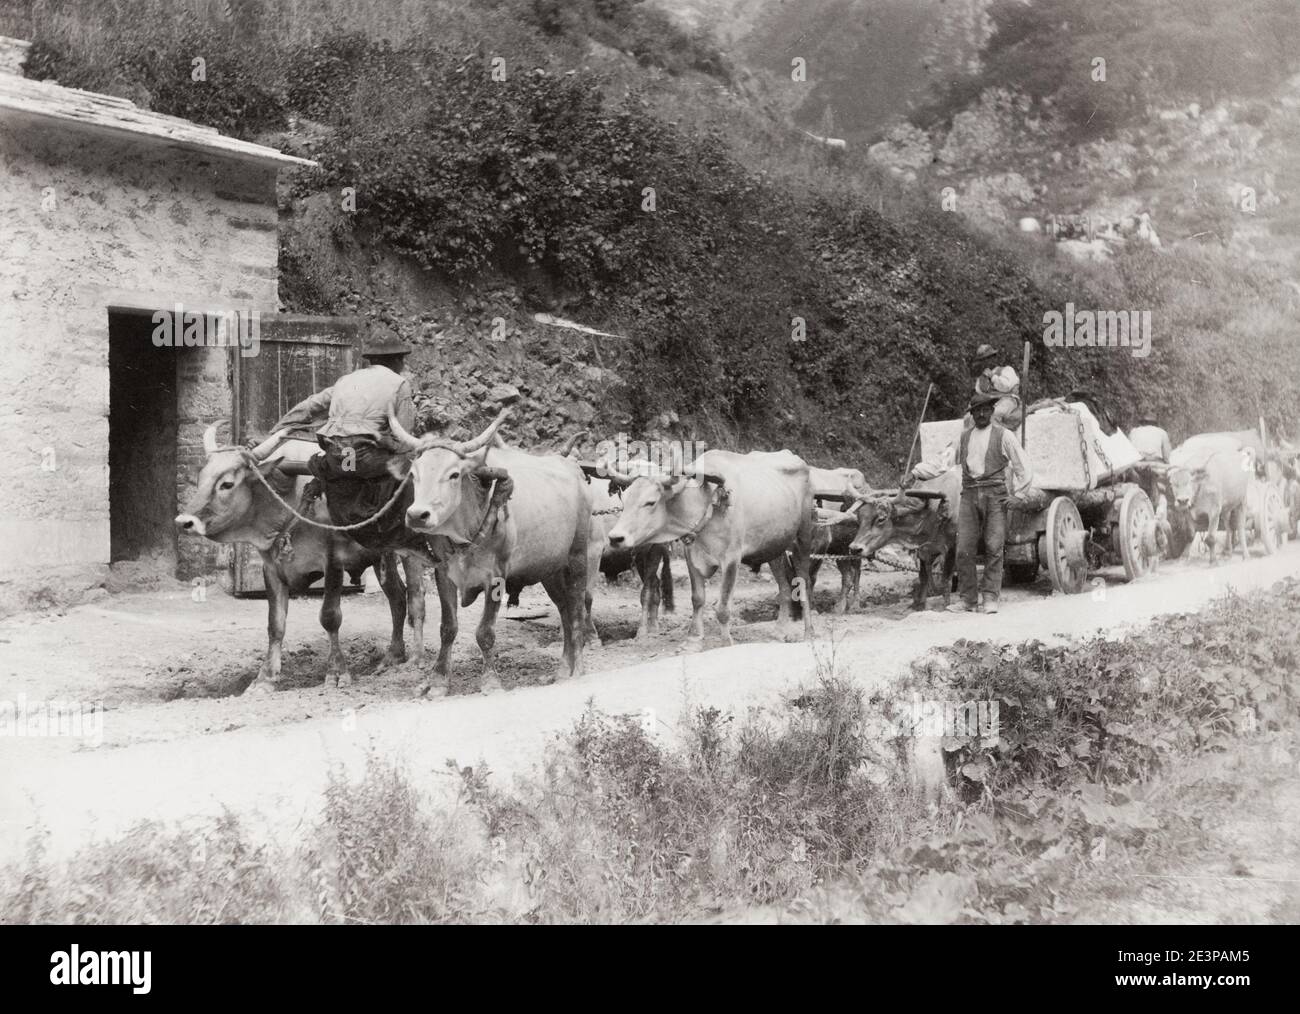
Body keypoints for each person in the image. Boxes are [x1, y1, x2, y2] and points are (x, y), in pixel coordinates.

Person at [265, 331, 427, 554]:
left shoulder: (346, 381)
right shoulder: (399, 384)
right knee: (411, 468)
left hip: (337, 459)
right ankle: (412, 538)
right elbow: (405, 438)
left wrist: (276, 431)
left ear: (369, 360)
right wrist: (397, 449)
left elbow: (310, 406)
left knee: (345, 470)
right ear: (398, 360)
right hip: (365, 460)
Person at [948, 390, 1034, 615]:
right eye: (978, 410)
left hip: (995, 495)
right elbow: (943, 460)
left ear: (992, 411)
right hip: (968, 495)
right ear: (972, 414)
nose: (982, 414)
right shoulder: (964, 437)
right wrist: (918, 473)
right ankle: (967, 599)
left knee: (994, 546)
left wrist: (1019, 495)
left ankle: (989, 598)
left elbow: (1022, 465)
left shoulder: (1004, 435)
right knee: (964, 549)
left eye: (986, 409)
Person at [970, 343, 1022, 429]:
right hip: (989, 403)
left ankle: (1001, 438)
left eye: (988, 358)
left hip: (1007, 400)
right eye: (982, 360)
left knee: (994, 415)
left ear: (994, 358)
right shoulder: (981, 378)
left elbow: (1006, 387)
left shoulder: (1006, 370)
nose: (985, 362)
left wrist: (993, 377)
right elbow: (979, 393)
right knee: (972, 417)